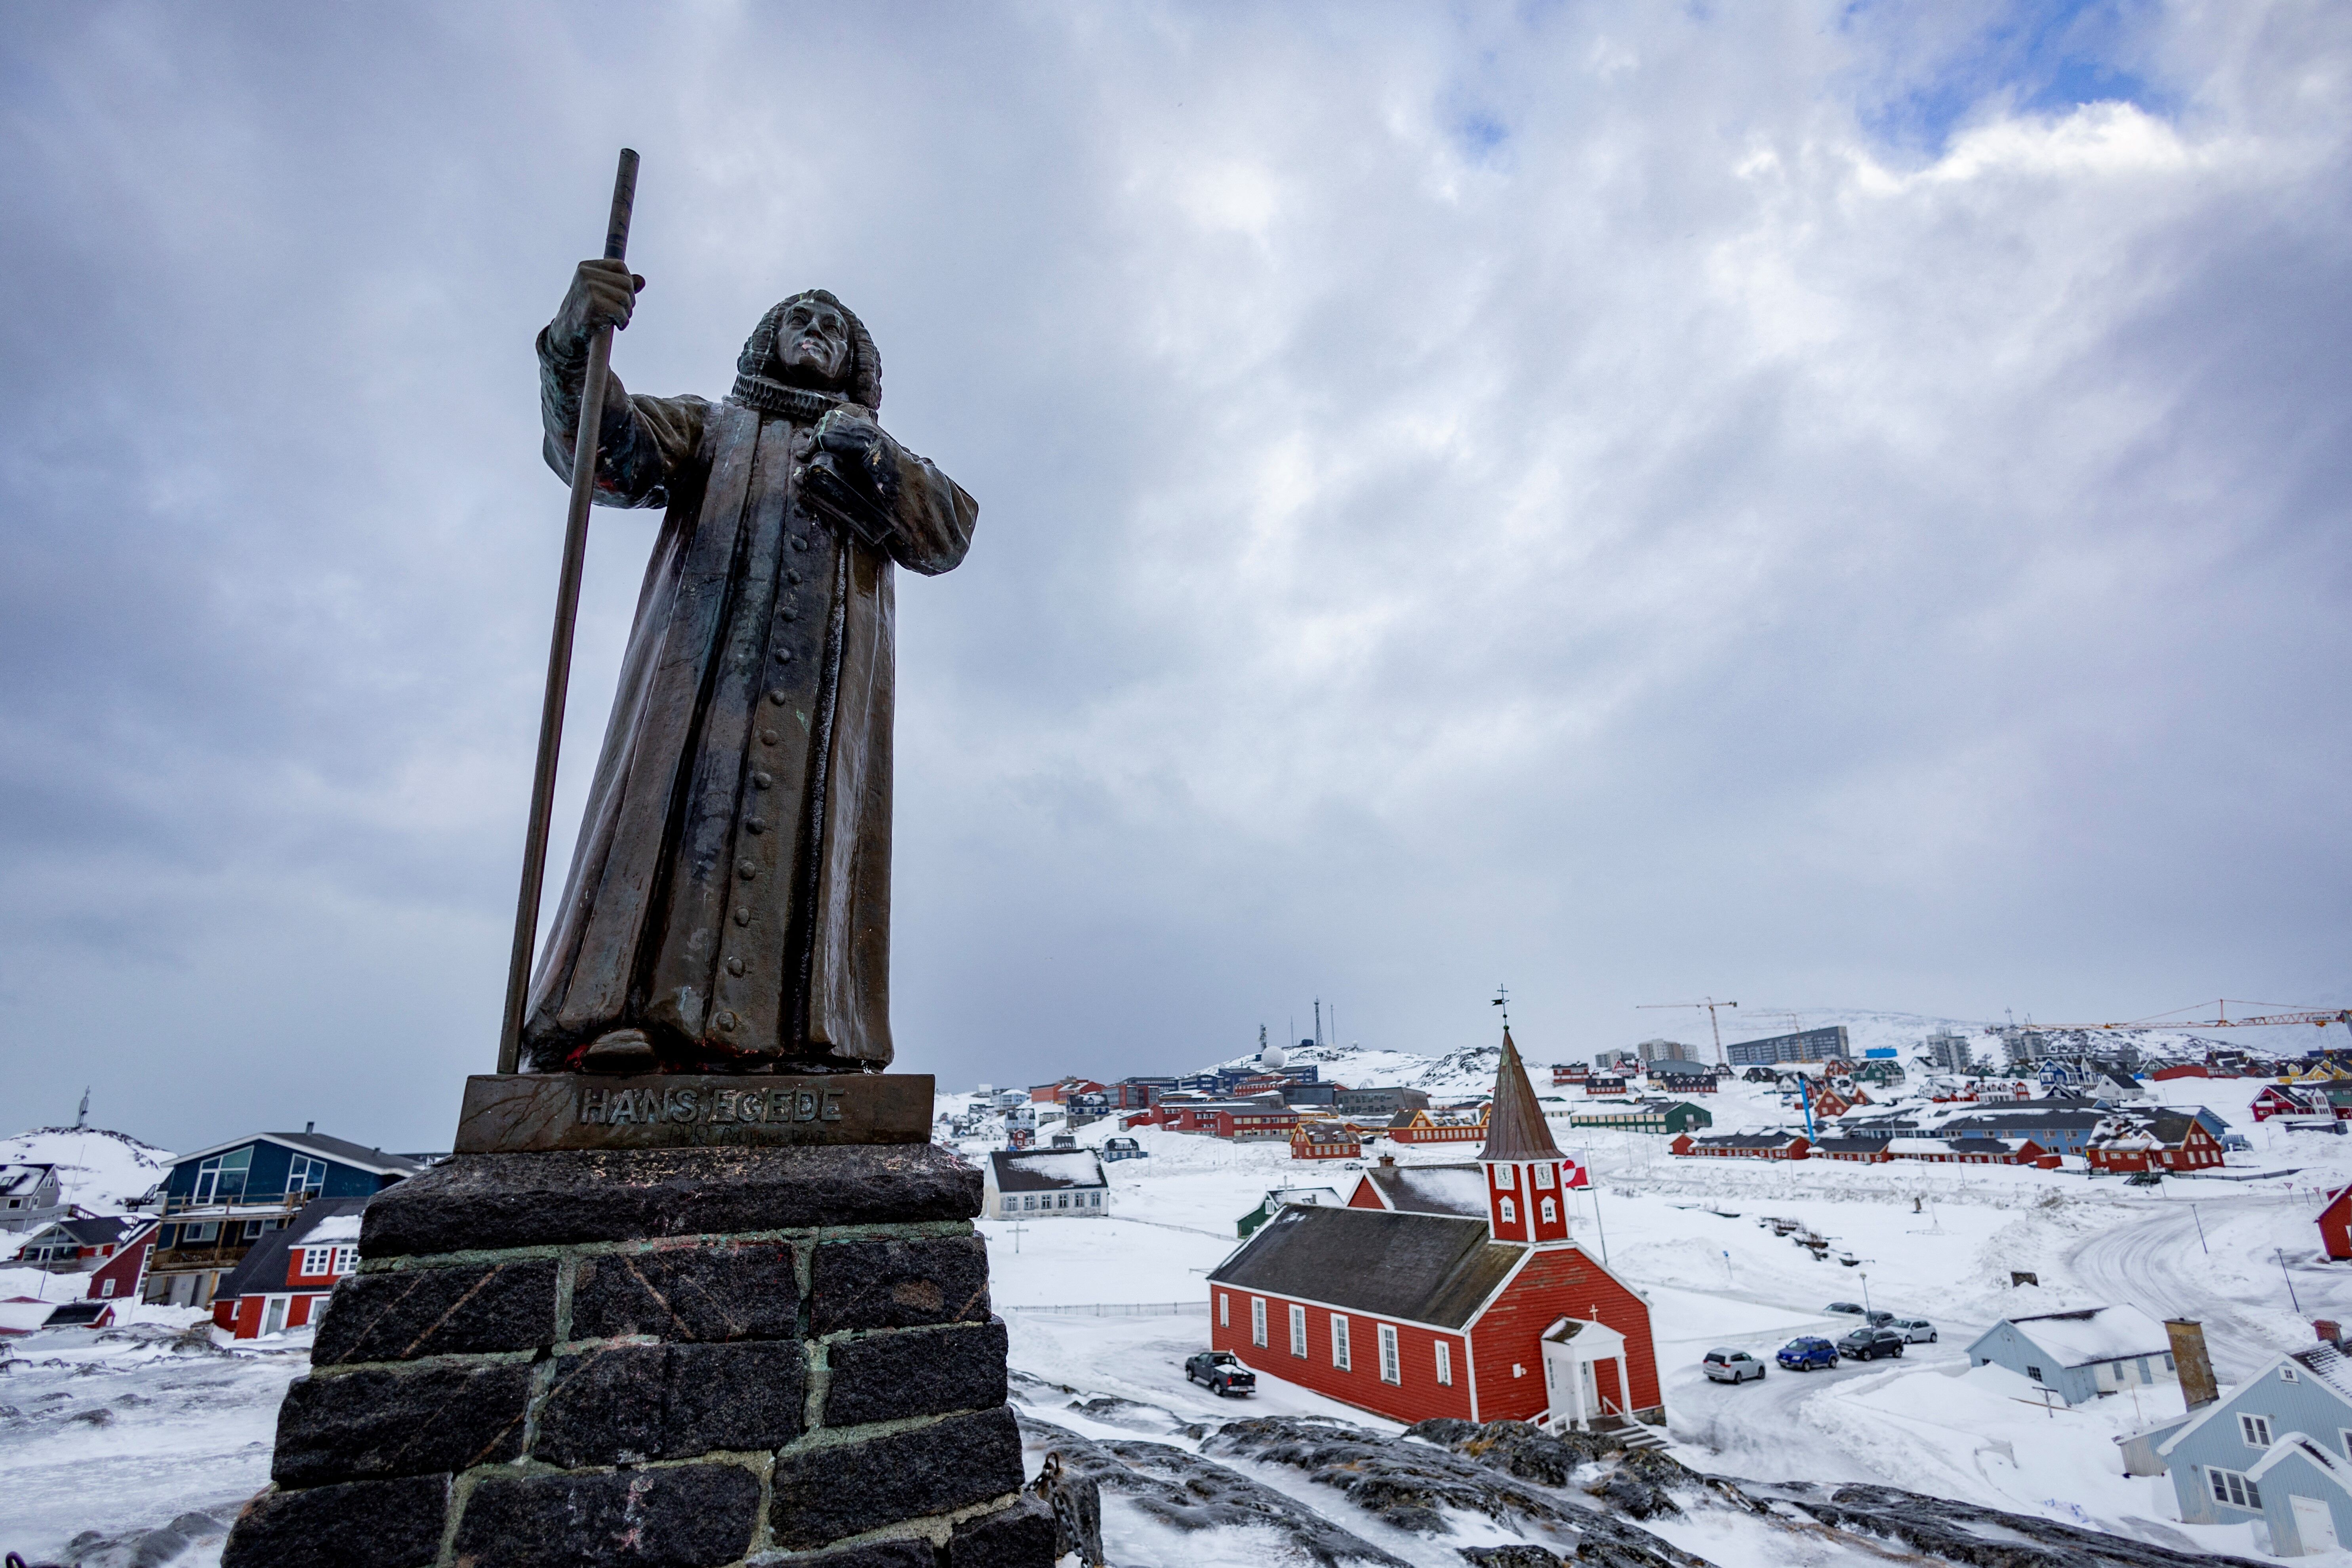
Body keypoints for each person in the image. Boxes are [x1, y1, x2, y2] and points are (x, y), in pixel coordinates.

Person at [520, 259, 977, 1075]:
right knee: (676, 822)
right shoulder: (713, 428)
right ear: (767, 341)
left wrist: (875, 456)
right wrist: (571, 347)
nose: (817, 331)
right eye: (800, 319)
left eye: (835, 329)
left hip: (823, 703)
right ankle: (628, 1015)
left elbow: (947, 535)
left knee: (813, 843)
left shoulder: (872, 448)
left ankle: (807, 1038)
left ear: (856, 364)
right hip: (702, 682)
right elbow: (604, 452)